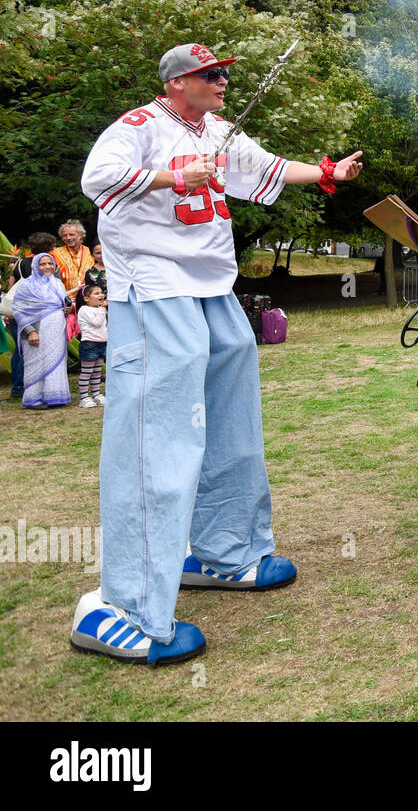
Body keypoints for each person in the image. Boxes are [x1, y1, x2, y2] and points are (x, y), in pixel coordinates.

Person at [71, 41, 363, 665]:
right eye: (212, 73)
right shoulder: (139, 127)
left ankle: (221, 551)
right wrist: (175, 175)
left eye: (226, 73)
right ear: (179, 82)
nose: (225, 80)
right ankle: (118, 606)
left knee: (233, 423)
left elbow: (271, 171)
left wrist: (329, 174)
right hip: (153, 289)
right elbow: (98, 180)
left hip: (213, 288)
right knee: (158, 435)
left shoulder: (222, 131)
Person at [12, 252, 72, 409]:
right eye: (43, 264)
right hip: (37, 332)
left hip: (57, 332)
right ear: (35, 266)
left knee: (56, 362)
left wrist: (65, 309)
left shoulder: (58, 283)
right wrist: (30, 331)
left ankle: (54, 397)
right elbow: (18, 310)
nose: (47, 267)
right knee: (36, 364)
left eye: (50, 263)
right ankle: (34, 399)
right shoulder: (27, 285)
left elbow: (59, 304)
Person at [6, 232, 58, 398]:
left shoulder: (20, 263)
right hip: (35, 313)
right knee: (31, 349)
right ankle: (28, 385)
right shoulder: (45, 263)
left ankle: (16, 386)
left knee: (19, 351)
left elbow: (11, 284)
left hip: (16, 311)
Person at [76, 284, 108, 407]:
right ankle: (84, 397)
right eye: (96, 293)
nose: (101, 295)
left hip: (101, 344)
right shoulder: (84, 310)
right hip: (89, 345)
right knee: (87, 372)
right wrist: (102, 309)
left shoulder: (99, 309)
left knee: (97, 372)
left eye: (101, 292)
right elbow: (97, 323)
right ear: (86, 298)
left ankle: (96, 394)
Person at [52, 219, 95, 294]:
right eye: (64, 235)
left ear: (81, 235)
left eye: (72, 234)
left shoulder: (91, 252)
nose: (68, 238)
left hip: (89, 298)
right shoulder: (54, 253)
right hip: (65, 298)